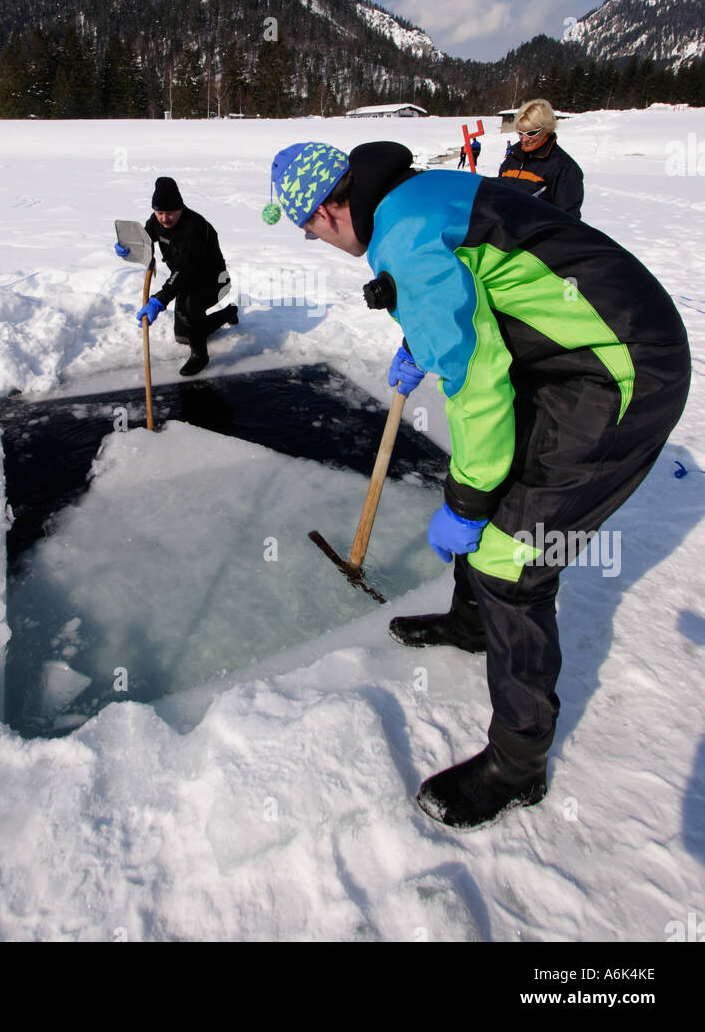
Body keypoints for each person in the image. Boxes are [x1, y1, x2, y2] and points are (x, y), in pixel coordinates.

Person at [267, 140, 690, 828]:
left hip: (620, 368)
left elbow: (480, 384)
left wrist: (466, 501)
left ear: (330, 208)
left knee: (512, 557)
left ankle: (517, 766)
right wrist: (421, 342)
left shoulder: (402, 239)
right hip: (575, 347)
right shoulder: (410, 198)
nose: (312, 240)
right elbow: (476, 290)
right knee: (484, 494)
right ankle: (472, 624)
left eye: (306, 226)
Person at [115, 176, 237, 377]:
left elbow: (186, 269)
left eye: (170, 213)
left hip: (214, 281)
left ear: (180, 208)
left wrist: (158, 301)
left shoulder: (195, 227)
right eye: (159, 212)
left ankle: (200, 356)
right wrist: (129, 247)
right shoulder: (156, 221)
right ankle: (227, 314)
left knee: (191, 307)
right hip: (187, 279)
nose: (164, 218)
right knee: (183, 334)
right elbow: (146, 240)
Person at [497, 99, 584, 218]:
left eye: (531, 133)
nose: (525, 139)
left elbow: (567, 220)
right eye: (520, 133)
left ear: (547, 129)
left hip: (534, 234)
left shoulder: (564, 168)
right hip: (504, 233)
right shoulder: (512, 160)